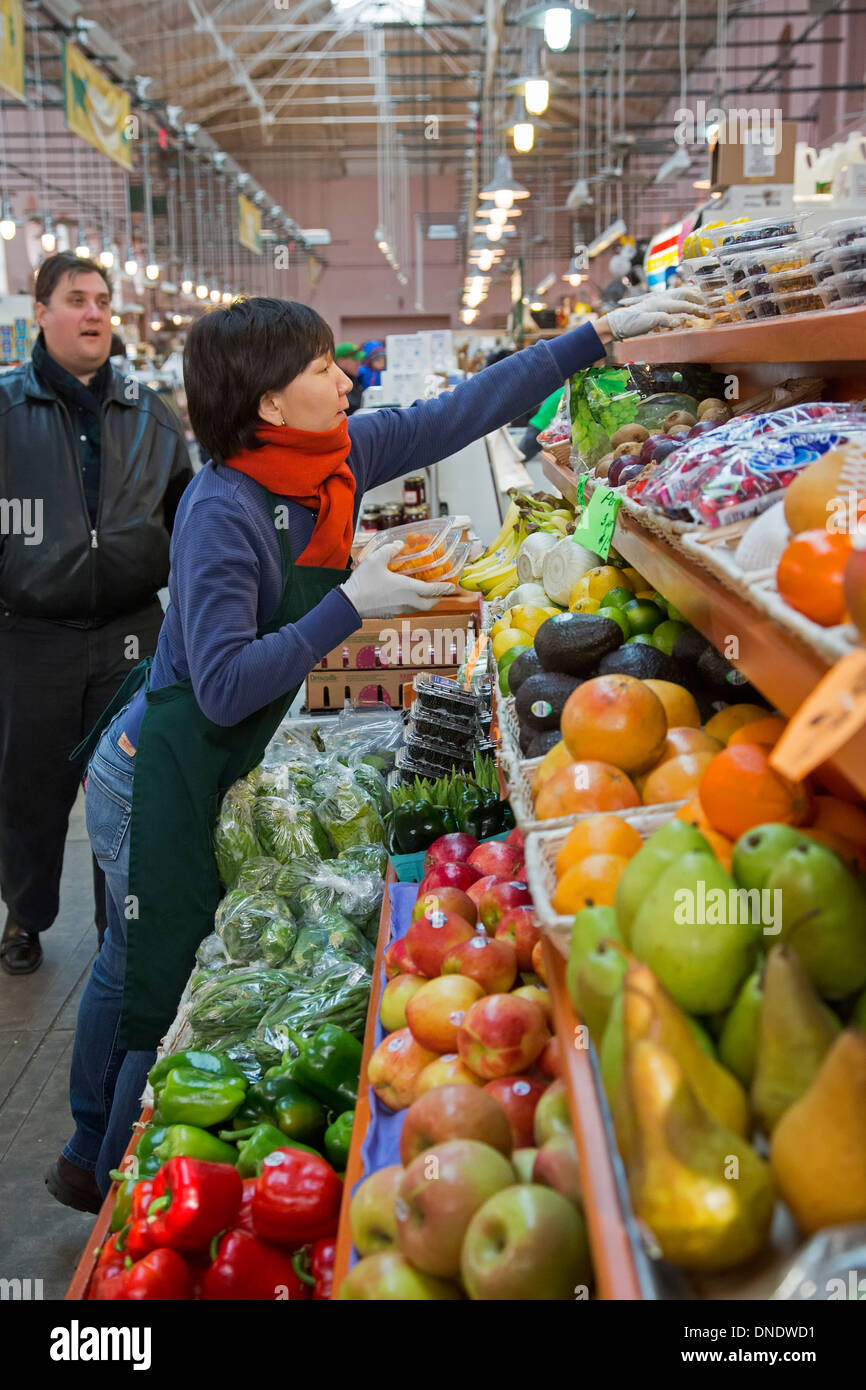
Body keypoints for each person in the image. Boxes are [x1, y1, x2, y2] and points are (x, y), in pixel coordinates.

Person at [48, 286, 708, 1212]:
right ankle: (98, 1162)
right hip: (154, 765)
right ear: (270, 404)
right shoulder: (221, 511)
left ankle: (101, 1148)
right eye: (321, 367)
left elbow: (457, 412)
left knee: (161, 951)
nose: (343, 377)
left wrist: (591, 339)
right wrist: (353, 603)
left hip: (228, 759)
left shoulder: (336, 458)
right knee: (144, 960)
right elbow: (226, 683)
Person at [0, 253, 193, 980]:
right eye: (76, 299)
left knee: (130, 779)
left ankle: (123, 916)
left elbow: (185, 509)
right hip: (30, 629)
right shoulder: (7, 408)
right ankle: (27, 912)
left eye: (103, 300)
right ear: (40, 313)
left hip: (130, 625)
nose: (93, 313)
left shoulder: (149, 408)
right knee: (28, 784)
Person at [334, 341, 364, 414]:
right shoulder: (336, 382)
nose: (359, 364)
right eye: (355, 360)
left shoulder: (353, 378)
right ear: (341, 361)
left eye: (360, 360)